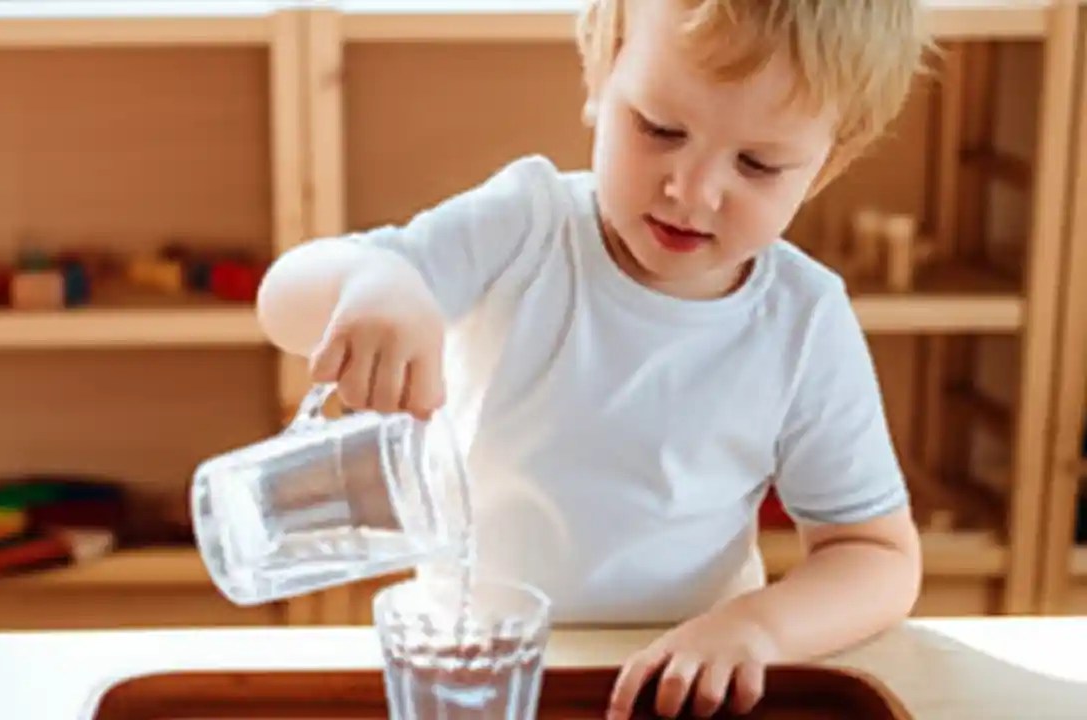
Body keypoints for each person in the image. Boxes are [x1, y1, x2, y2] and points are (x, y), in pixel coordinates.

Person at [256, 0, 930, 716]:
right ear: (602, 76)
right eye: (660, 129)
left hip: (672, 691)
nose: (692, 190)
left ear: (831, 159)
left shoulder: (803, 322)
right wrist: (379, 281)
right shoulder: (524, 227)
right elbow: (282, 301)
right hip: (479, 671)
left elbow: (878, 559)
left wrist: (756, 628)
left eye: (758, 164)